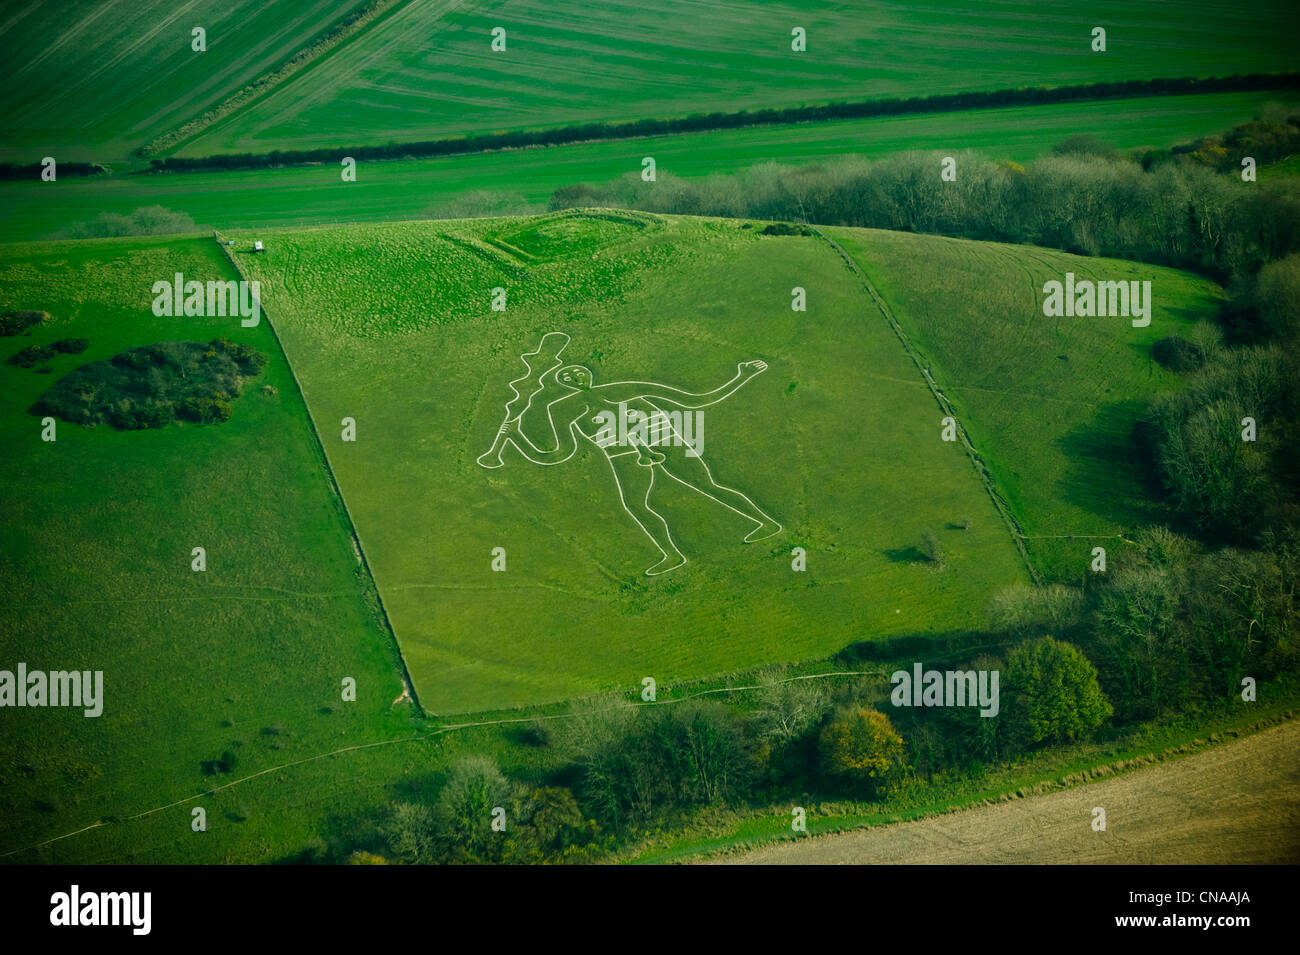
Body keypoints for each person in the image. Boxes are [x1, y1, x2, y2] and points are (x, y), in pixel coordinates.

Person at [479, 335, 780, 575]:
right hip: (622, 454)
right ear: (563, 383)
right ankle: (672, 555)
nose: (574, 375)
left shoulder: (628, 388)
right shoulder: (565, 410)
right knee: (636, 504)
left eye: (576, 370)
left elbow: (695, 401)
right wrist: (515, 435)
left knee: (707, 485)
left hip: (664, 441)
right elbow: (556, 455)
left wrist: (742, 376)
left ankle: (765, 523)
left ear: (587, 373)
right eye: (567, 375)